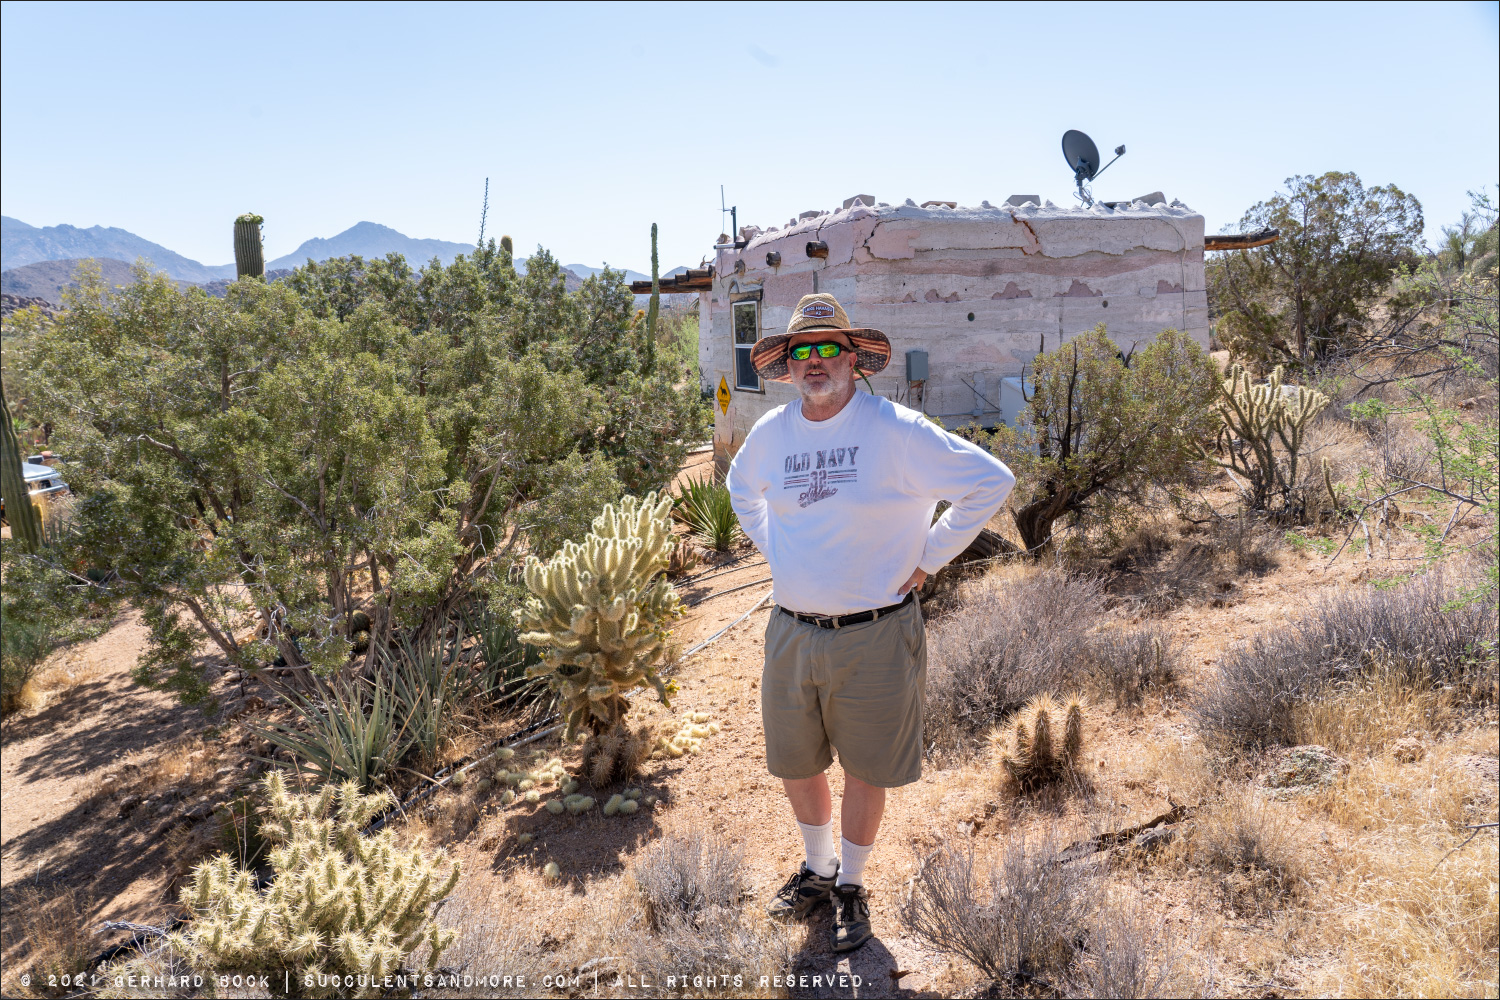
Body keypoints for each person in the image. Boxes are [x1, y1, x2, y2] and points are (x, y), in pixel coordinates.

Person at [727, 292, 1015, 952]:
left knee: (865, 767)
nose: (815, 360)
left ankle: (852, 883)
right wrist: (776, 551)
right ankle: (819, 867)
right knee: (795, 760)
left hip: (876, 630)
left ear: (853, 359)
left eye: (829, 348)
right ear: (787, 366)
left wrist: (930, 556)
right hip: (792, 630)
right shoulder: (771, 434)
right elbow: (742, 490)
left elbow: (990, 481)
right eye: (802, 350)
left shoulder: (897, 431)